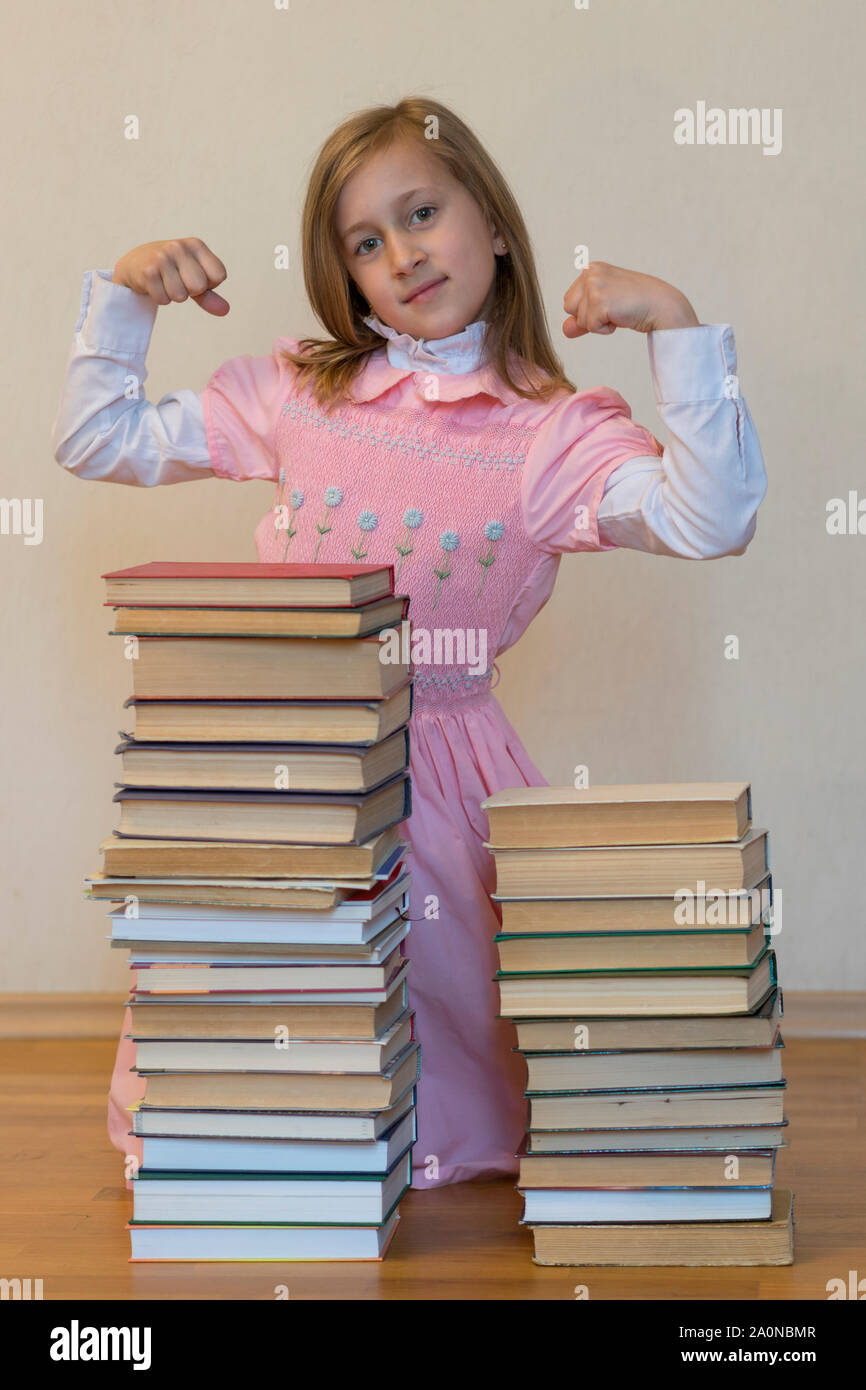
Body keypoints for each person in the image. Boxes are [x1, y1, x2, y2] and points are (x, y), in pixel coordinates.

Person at [51, 95, 767, 1190]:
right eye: (366, 242)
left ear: (492, 223)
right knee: (260, 1008)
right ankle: (261, 1153)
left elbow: (711, 519)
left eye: (421, 212)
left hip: (436, 773)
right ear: (345, 275)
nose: (402, 254)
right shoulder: (302, 388)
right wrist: (127, 296)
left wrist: (674, 324)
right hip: (278, 770)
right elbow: (97, 437)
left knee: (425, 1003)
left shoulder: (548, 433)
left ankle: (417, 1146)